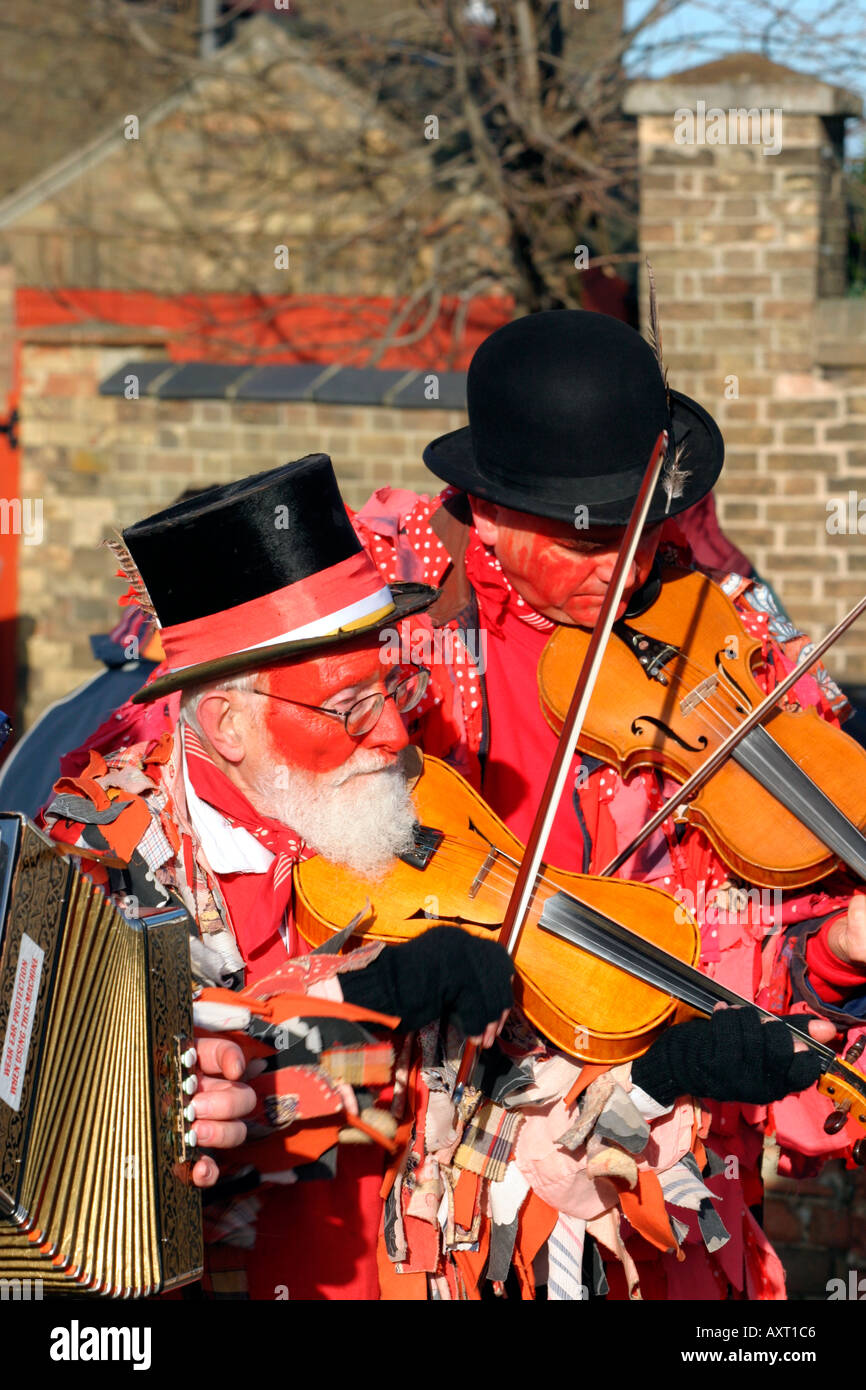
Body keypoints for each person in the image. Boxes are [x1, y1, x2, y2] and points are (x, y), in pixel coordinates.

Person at [36, 451, 826, 1302]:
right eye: (350, 710)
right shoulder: (96, 860)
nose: (393, 740)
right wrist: (357, 1000)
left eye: (387, 691)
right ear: (229, 722)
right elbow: (86, 1160)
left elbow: (509, 1160)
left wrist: (659, 1081)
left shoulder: (396, 835)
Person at [350, 309, 866, 1300]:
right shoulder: (394, 608)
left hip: (674, 1186)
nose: (630, 566)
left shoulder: (710, 611)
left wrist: (836, 959)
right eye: (588, 537)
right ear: (488, 511)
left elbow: (774, 965)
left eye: (637, 526)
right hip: (457, 1186)